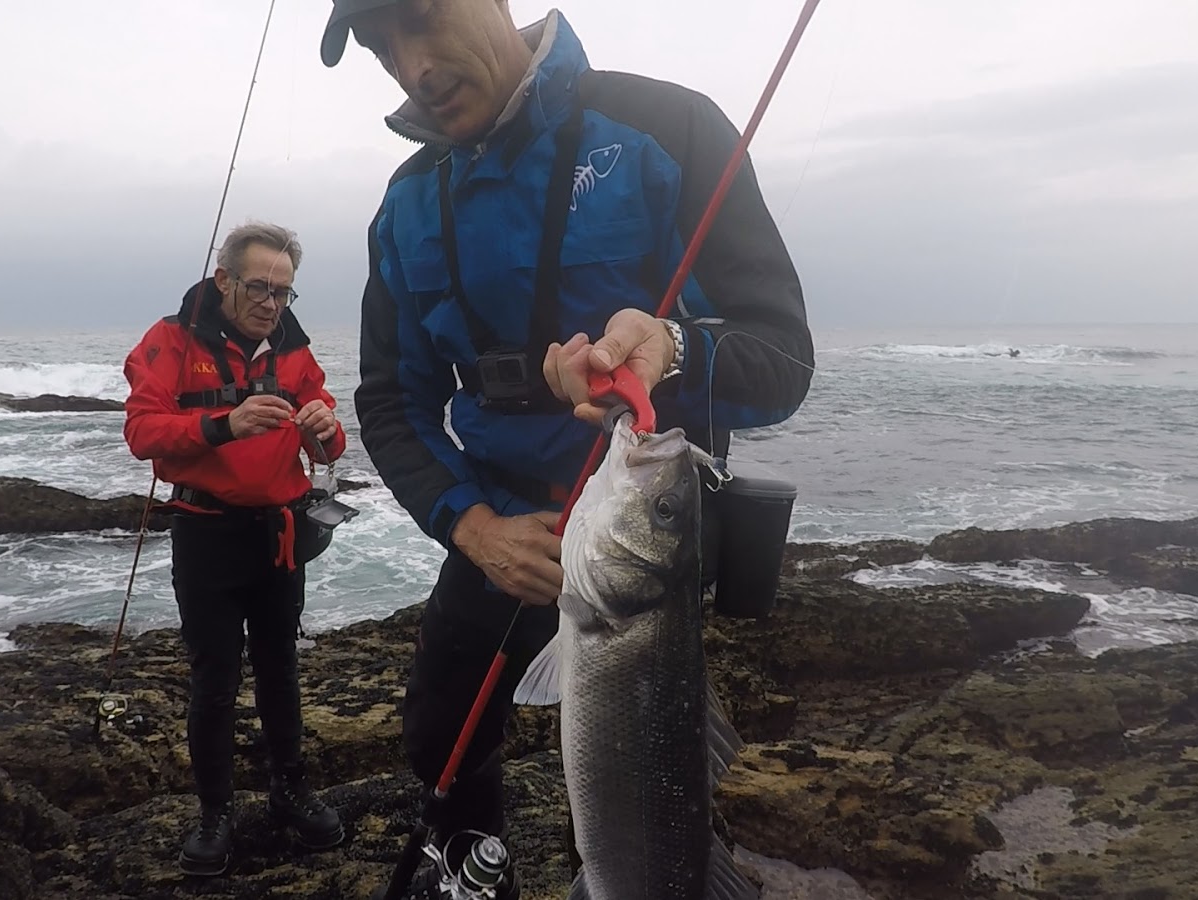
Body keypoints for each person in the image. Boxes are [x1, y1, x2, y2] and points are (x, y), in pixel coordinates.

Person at [322, 2, 815, 896]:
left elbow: (781, 358)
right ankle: (476, 870)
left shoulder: (668, 127)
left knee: (658, 775)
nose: (410, 63)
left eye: (422, 19)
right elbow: (391, 400)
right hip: (501, 527)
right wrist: (471, 528)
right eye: (381, 44)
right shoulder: (404, 203)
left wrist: (672, 346)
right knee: (440, 729)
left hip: (642, 540)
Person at [122, 221, 348, 876]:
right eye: (259, 287)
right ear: (224, 280)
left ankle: (290, 790)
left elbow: (329, 448)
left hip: (279, 534)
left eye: (284, 292)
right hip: (206, 533)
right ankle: (215, 813)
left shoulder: (295, 353)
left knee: (280, 666)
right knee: (214, 680)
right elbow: (142, 431)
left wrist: (326, 427)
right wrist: (225, 423)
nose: (271, 304)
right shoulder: (169, 341)